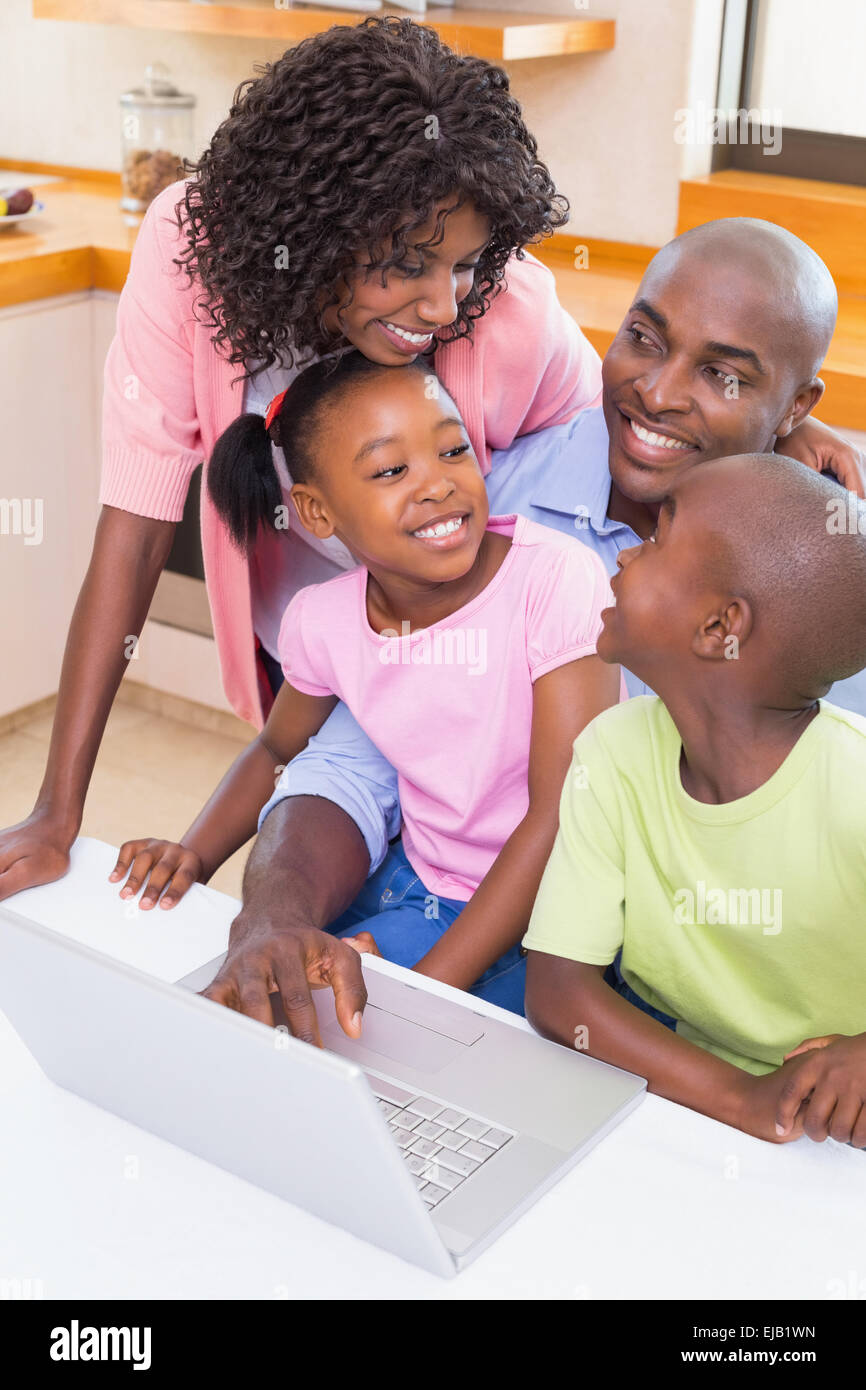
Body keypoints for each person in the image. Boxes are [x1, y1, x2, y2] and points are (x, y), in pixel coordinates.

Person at [182, 218, 866, 1037]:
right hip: (461, 915)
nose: (657, 391)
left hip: (674, 985)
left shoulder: (826, 566)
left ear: (797, 405)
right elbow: (352, 754)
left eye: (722, 374)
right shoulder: (485, 500)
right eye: (644, 338)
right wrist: (271, 913)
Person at [0, 16, 603, 903]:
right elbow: (132, 530)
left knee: (439, 904)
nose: (442, 304)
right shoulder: (187, 253)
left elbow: (622, 430)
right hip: (319, 658)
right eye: (405, 263)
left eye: (466, 264)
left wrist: (777, 434)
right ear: (311, 224)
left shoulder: (509, 312)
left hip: (484, 686)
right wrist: (57, 813)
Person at [112, 351, 621, 1014]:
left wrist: (427, 991)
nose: (438, 484)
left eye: (453, 450)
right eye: (391, 470)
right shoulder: (324, 621)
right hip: (417, 881)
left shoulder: (555, 580)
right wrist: (193, 853)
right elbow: (275, 750)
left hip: (553, 911)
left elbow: (561, 813)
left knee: (364, 1030)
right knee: (264, 1004)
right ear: (317, 513)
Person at [523, 454, 866, 1147]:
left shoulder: (854, 784)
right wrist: (746, 1099)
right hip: (699, 1103)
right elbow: (559, 994)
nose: (622, 561)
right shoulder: (612, 754)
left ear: (720, 629)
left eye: (654, 542)